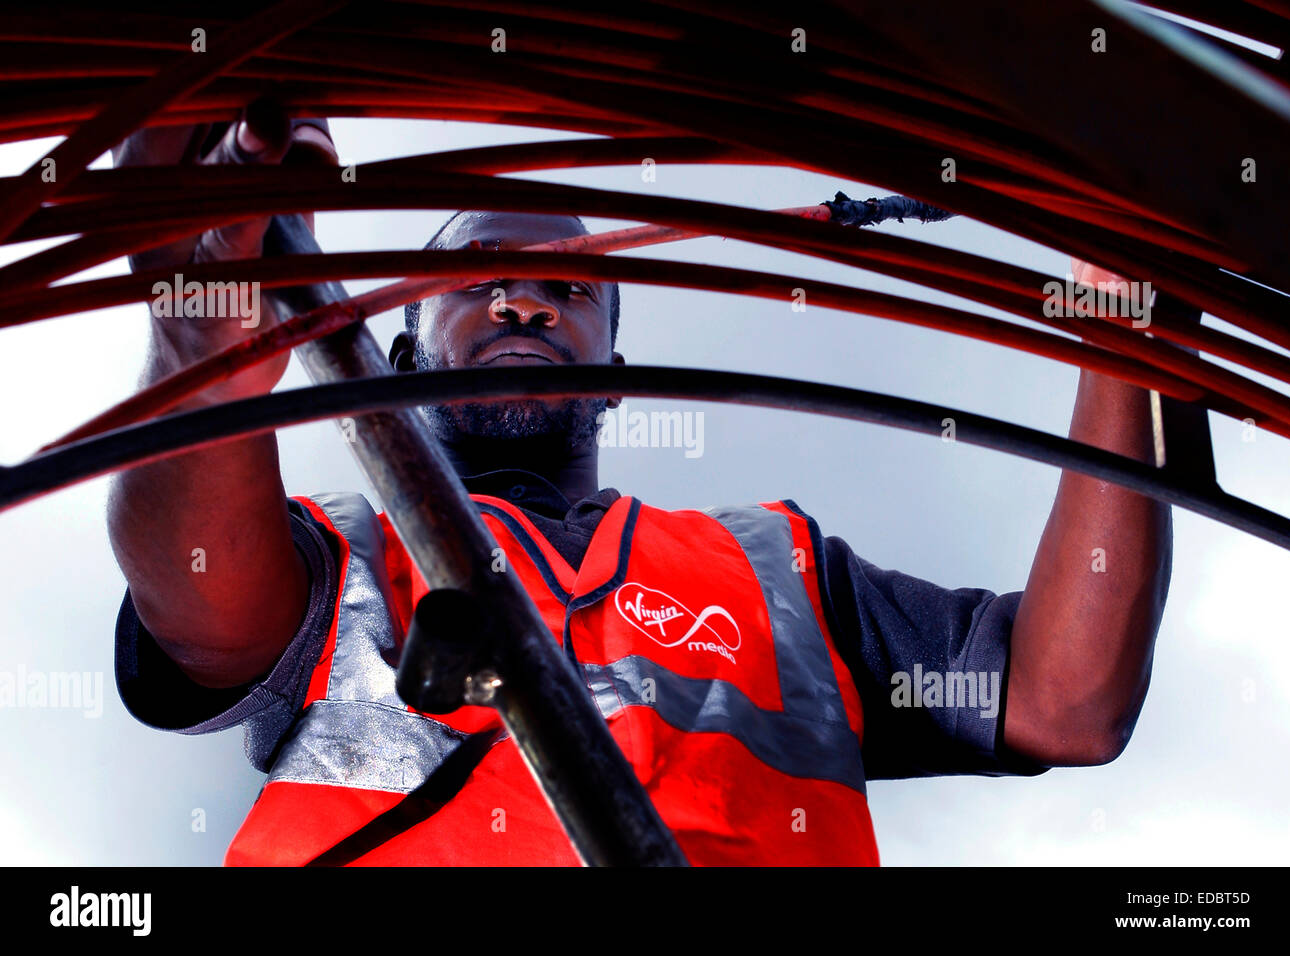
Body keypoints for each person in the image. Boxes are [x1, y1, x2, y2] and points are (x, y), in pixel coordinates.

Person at [106, 108, 1173, 866]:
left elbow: (1062, 699)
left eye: (568, 290)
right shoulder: (335, 560)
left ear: (615, 376)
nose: (524, 304)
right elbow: (200, 610)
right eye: (476, 285)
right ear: (396, 357)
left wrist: (1123, 330)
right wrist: (201, 335)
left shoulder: (781, 569)